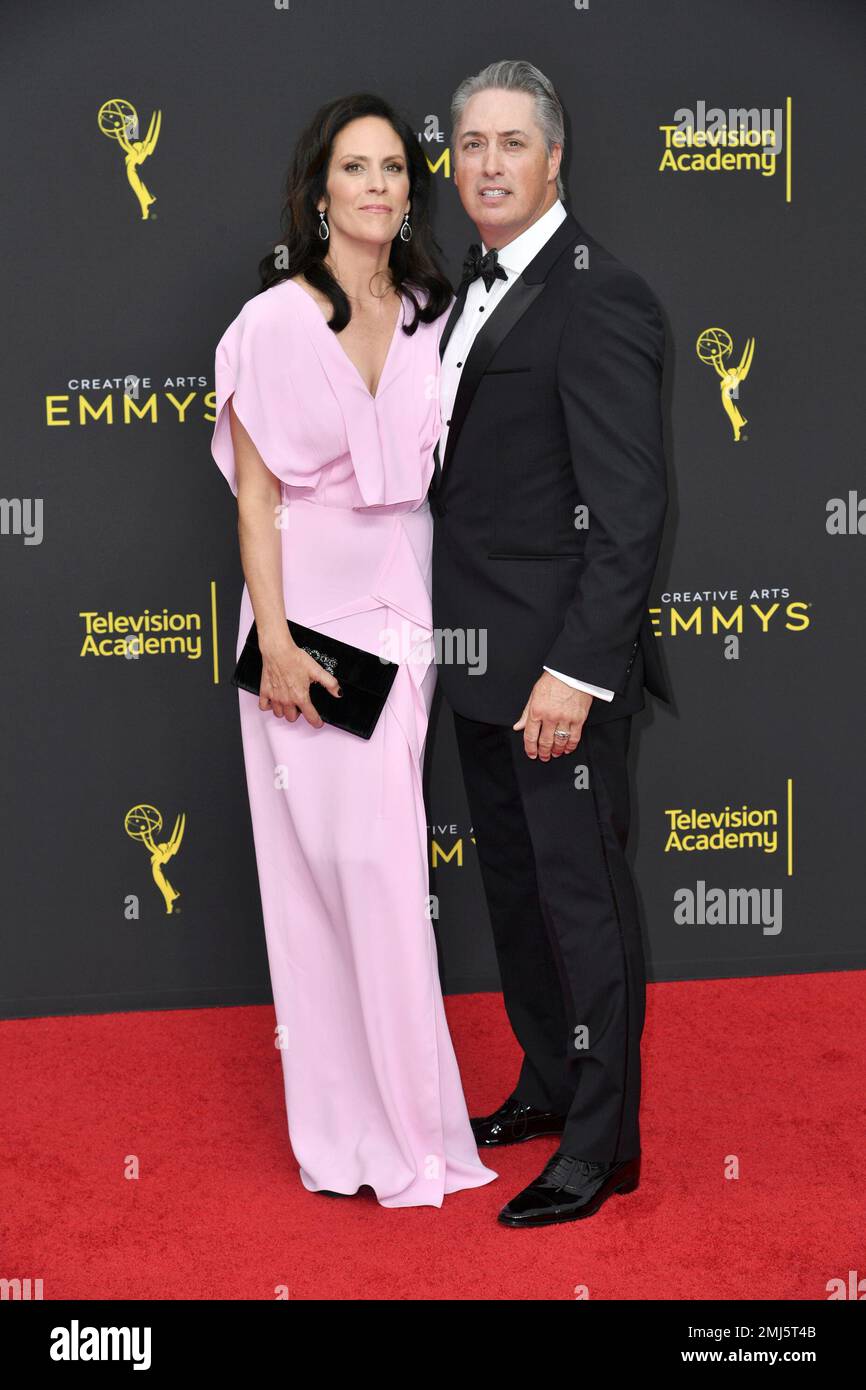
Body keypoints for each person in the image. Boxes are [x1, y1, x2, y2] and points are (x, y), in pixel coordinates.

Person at [210, 93, 497, 1208]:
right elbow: (256, 499)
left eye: (392, 169)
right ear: (317, 188)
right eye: (355, 167)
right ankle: (345, 1137)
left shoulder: (433, 311)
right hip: (301, 619)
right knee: (317, 885)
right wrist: (273, 639)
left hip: (399, 614)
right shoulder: (270, 322)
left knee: (379, 872)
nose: (377, 186)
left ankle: (412, 1129)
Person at [429, 60, 670, 1227]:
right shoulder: (459, 291)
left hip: (555, 677)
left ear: (554, 157)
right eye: (469, 144)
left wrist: (572, 673)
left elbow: (628, 515)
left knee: (581, 903)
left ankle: (599, 1143)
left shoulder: (598, 295)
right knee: (515, 898)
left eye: (510, 144)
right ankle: (545, 1077)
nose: (486, 165)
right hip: (472, 665)